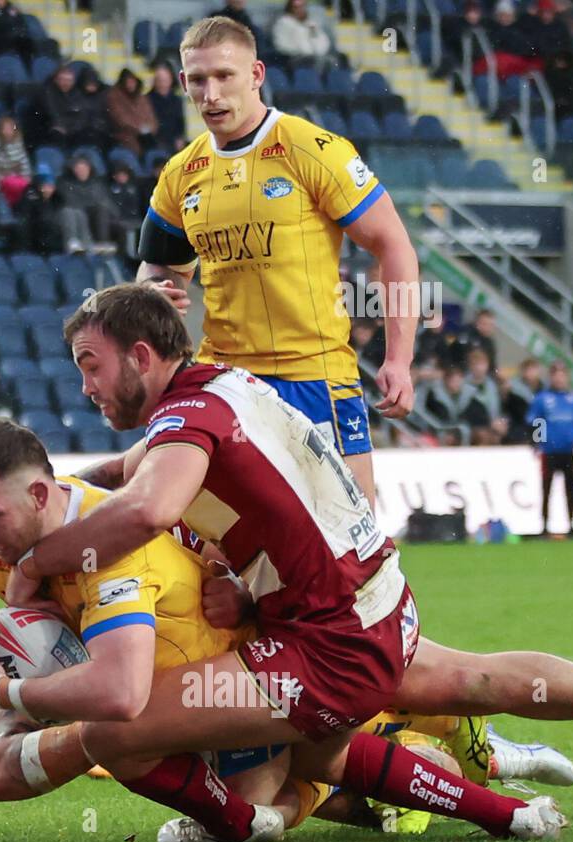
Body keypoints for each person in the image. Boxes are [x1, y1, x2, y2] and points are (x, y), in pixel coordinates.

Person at [0, 283, 567, 841]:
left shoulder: (186, 418)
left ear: (141, 356)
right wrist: (45, 496)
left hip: (327, 645)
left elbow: (147, 508)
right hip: (374, 602)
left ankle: (243, 826)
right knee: (414, 710)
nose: (86, 386)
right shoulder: (220, 388)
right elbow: (121, 474)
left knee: (112, 733)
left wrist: (34, 563)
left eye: (91, 365)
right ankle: (512, 816)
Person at [0, 419, 573, 842]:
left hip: (250, 667)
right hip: (187, 694)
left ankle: (458, 749)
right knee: (6, 772)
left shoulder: (135, 519)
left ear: (40, 495)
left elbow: (126, 684)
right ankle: (407, 760)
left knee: (444, 694)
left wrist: (249, 596)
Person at [136, 16, 419, 508]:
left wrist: (399, 358)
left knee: (352, 545)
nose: (211, 93)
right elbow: (156, 271)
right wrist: (153, 294)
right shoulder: (181, 174)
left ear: (256, 75)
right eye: (198, 80)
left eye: (225, 76)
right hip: (225, 383)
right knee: (231, 553)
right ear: (183, 83)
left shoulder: (312, 149)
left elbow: (393, 244)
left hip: (315, 378)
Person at [527, 361, 573, 536]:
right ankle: (544, 526)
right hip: (549, 452)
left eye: (562, 374)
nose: (559, 378)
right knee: (547, 489)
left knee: (571, 489)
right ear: (551, 377)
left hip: (568, 452)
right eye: (556, 374)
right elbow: (536, 421)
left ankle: (572, 525)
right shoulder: (542, 399)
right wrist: (538, 443)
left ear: (566, 377)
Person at [271, 0, 339, 71]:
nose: (300, 10)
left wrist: (314, 38)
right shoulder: (283, 23)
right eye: (296, 7)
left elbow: (323, 44)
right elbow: (281, 45)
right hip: (292, 58)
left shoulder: (311, 23)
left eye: (302, 7)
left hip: (313, 56)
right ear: (290, 8)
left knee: (332, 60)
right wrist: (303, 51)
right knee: (315, 61)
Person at [106, 68, 159, 157]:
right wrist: (140, 128)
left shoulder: (142, 97)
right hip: (125, 139)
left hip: (147, 138)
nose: (130, 85)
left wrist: (150, 129)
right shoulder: (114, 97)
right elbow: (121, 119)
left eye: (132, 82)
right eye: (128, 82)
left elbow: (151, 118)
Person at [0, 115, 32, 206]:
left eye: (9, 128)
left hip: (18, 178)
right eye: (4, 128)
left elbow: (24, 162)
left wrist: (25, 178)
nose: (7, 131)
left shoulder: (18, 141)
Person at [148, 61, 187, 155]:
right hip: (156, 141)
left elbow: (180, 122)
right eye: (159, 80)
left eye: (165, 80)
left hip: (174, 139)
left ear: (171, 80)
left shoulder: (177, 100)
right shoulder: (147, 99)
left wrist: (179, 138)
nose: (162, 83)